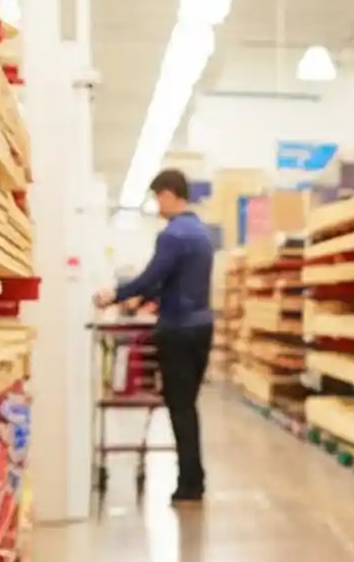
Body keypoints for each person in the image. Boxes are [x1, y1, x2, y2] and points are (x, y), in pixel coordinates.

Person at [95, 169, 215, 505]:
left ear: (168, 194)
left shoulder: (173, 235)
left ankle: (189, 484)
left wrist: (115, 295)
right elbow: (178, 282)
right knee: (188, 407)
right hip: (202, 328)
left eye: (156, 197)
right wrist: (151, 297)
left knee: (179, 408)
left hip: (177, 331)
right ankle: (195, 477)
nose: (156, 205)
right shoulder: (202, 235)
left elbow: (151, 276)